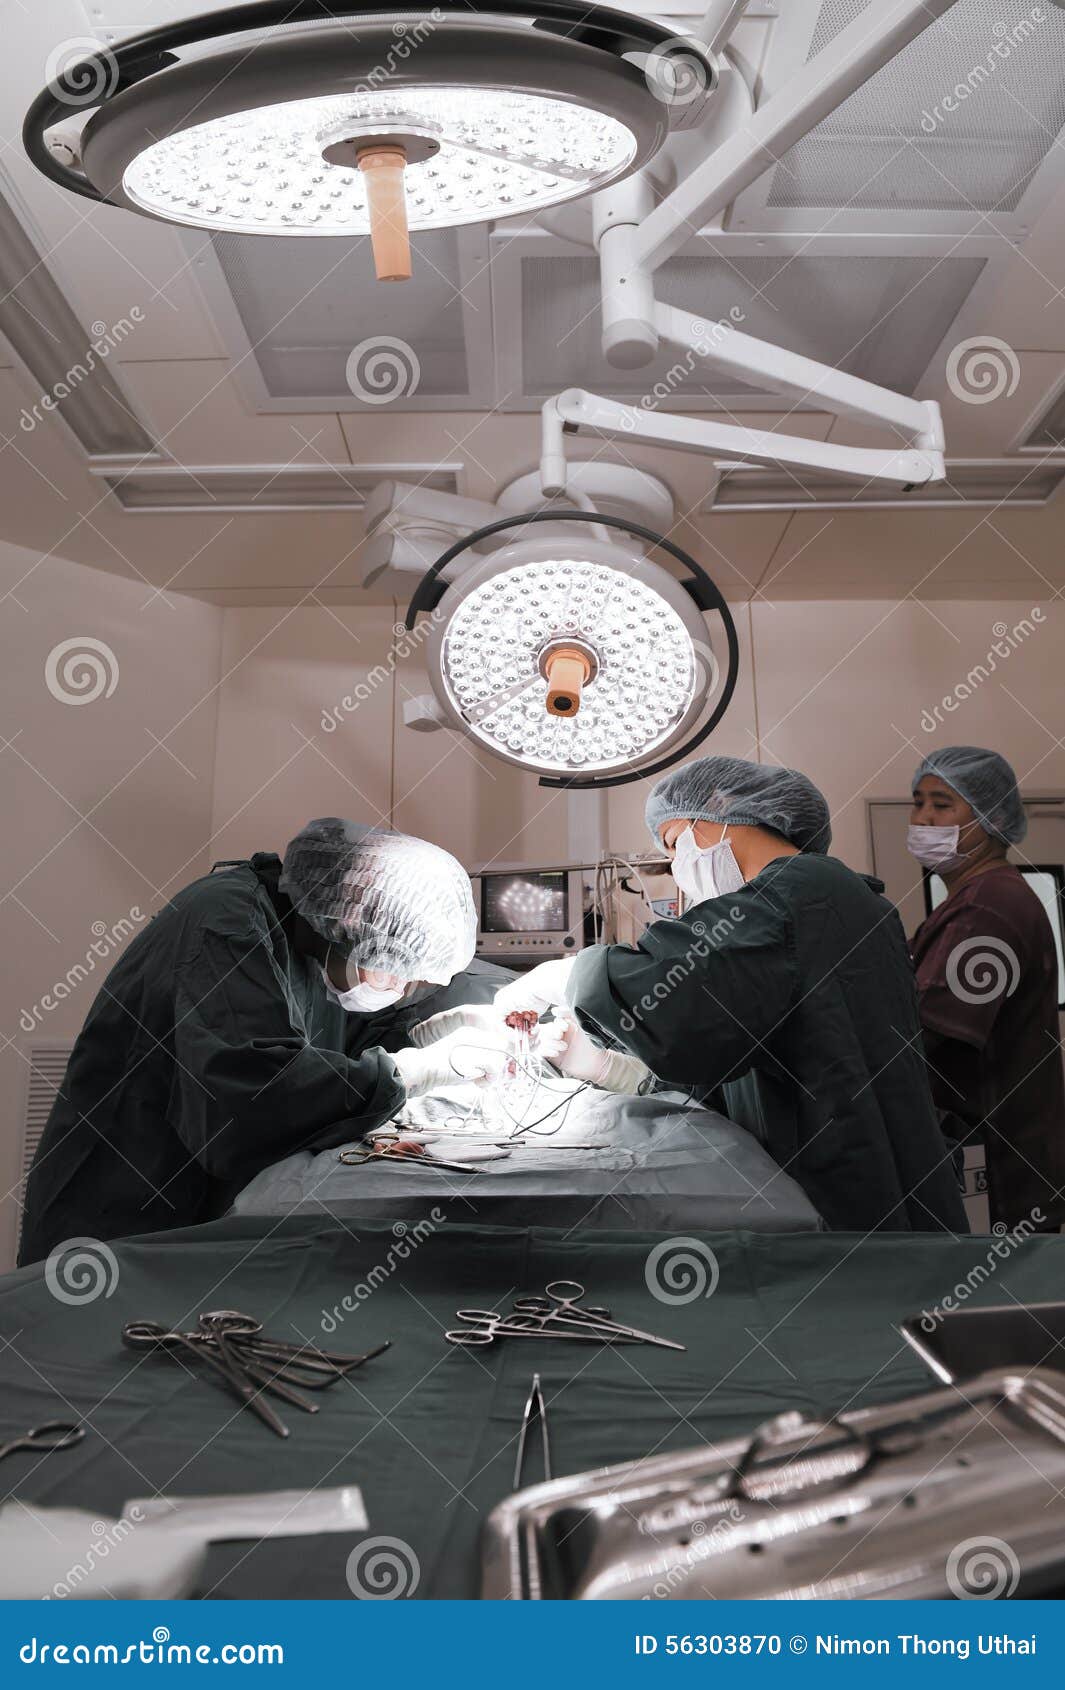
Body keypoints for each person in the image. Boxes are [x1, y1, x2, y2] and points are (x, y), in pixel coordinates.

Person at [416, 757, 967, 1233]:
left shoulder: (803, 894)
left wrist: (564, 976)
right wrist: (600, 1066)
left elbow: (668, 989)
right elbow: (731, 1057)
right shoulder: (829, 906)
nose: (680, 871)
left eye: (676, 844)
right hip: (867, 1180)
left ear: (723, 809)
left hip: (852, 1195)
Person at [18, 820, 511, 1265]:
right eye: (392, 968)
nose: (399, 990)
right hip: (121, 1216)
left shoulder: (308, 951)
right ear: (344, 925)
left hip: (195, 1212)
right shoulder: (224, 924)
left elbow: (345, 1046)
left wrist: (428, 1033)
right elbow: (252, 1095)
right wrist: (415, 1071)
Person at [907, 747, 1065, 1232]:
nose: (923, 818)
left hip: (999, 1165)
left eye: (942, 805)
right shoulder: (973, 898)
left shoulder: (989, 908)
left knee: (1000, 1304)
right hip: (999, 1154)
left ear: (992, 819)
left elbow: (930, 1035)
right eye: (918, 803)